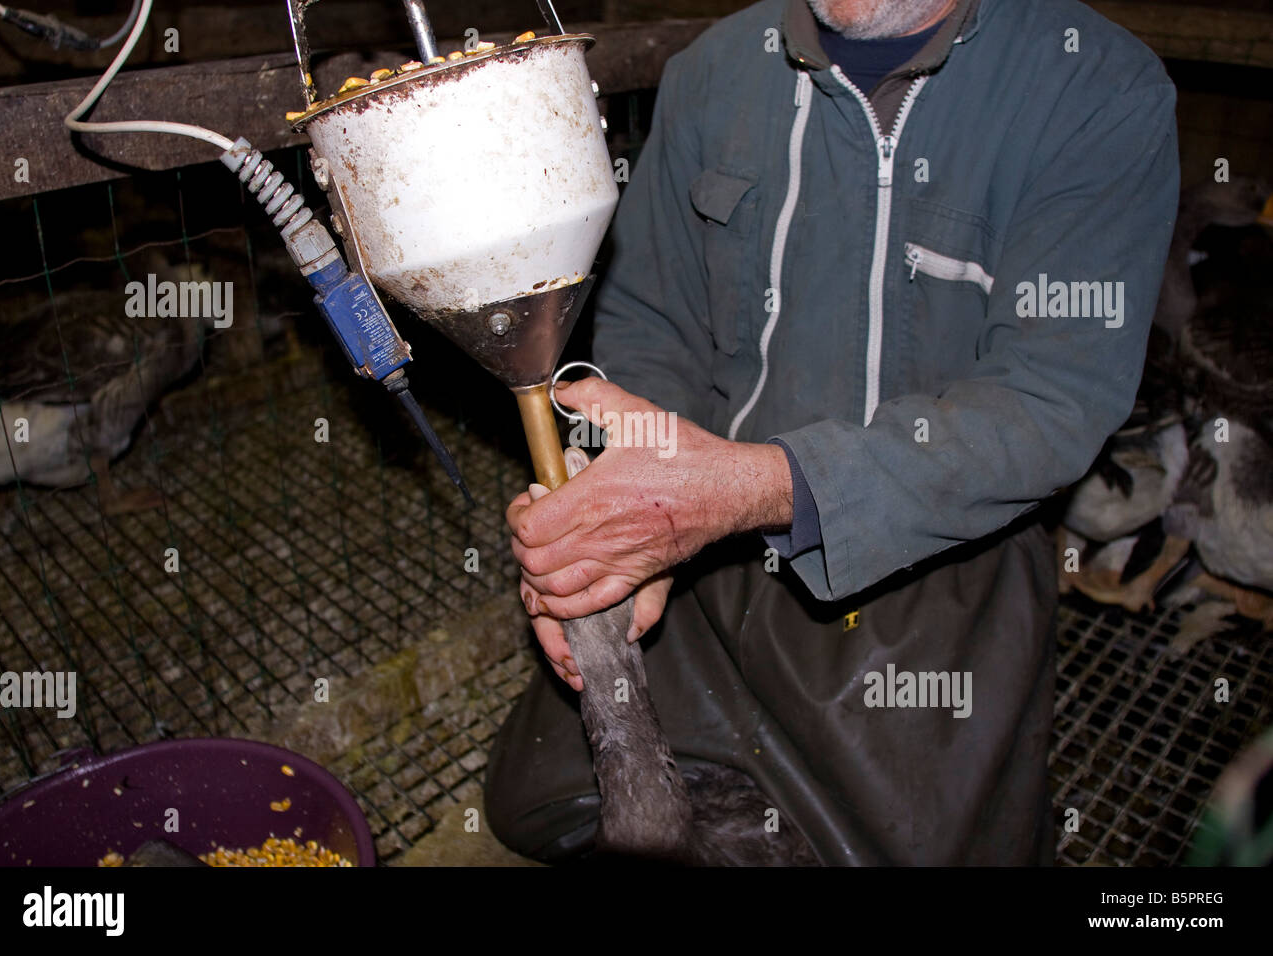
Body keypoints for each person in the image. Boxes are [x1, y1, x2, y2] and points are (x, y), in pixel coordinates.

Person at [484, 0, 1179, 864]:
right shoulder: (714, 72)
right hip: (706, 543)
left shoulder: (1094, 85)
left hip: (945, 557)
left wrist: (761, 488)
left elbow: (1051, 398)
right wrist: (621, 521)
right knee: (542, 802)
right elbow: (652, 325)